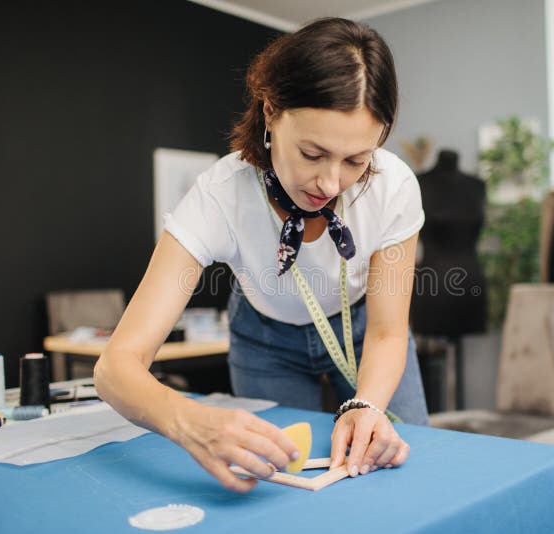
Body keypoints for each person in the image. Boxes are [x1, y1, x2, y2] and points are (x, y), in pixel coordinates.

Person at [94, 17, 428, 494]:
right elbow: (114, 367)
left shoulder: (393, 186)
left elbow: (389, 330)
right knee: (276, 486)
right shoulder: (219, 196)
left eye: (356, 160)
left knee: (400, 468)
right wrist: (195, 422)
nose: (331, 184)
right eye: (312, 153)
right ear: (271, 112)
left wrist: (368, 406)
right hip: (265, 340)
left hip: (365, 332)